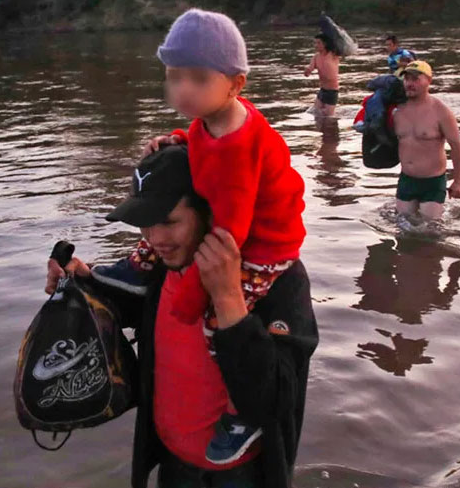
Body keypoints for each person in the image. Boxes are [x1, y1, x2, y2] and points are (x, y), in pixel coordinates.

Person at [45, 145, 318, 488]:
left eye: (169, 222)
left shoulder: (278, 281)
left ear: (208, 211)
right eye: (145, 224)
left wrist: (229, 300)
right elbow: (131, 309)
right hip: (172, 463)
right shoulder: (161, 267)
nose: (155, 239)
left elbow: (277, 400)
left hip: (241, 475)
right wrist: (77, 280)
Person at [138, 8, 307, 466]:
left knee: (215, 320)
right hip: (173, 456)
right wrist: (175, 139)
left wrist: (206, 298)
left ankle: (239, 419)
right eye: (173, 77)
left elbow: (230, 233)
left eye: (196, 78)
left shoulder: (239, 156)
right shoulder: (214, 120)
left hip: (265, 248)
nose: (182, 90)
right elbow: (200, 135)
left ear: (235, 84)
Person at [391, 61, 460, 221]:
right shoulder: (397, 110)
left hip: (432, 182)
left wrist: (458, 182)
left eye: (416, 79)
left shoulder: (441, 112)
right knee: (402, 228)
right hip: (407, 179)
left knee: (430, 231)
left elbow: (456, 147)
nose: (410, 84)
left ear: (429, 81)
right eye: (407, 79)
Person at [305, 33, 341, 117]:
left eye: (318, 43)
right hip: (322, 90)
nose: (316, 45)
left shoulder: (333, 54)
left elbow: (341, 46)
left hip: (332, 92)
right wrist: (307, 71)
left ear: (325, 44)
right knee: (316, 115)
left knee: (329, 118)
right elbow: (309, 70)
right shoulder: (316, 57)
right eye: (315, 43)